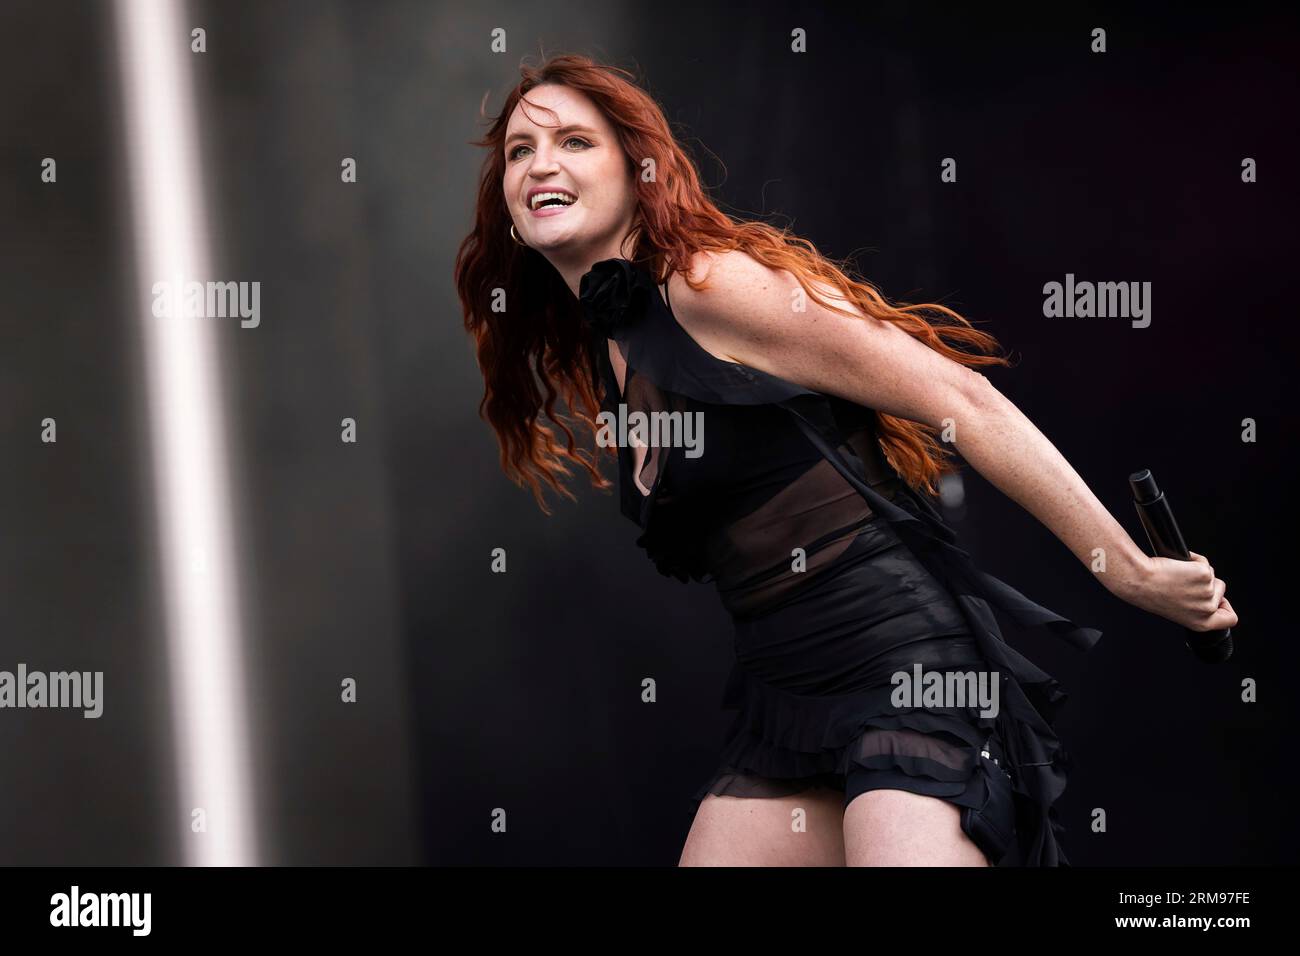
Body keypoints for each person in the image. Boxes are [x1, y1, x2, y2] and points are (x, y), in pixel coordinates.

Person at [453, 54, 1239, 866]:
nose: (539, 163)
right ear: (509, 204)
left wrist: (1127, 572)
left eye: (574, 141)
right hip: (784, 700)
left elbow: (963, 400)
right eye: (519, 150)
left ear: (638, 173)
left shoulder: (709, 287)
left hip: (903, 669)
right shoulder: (611, 342)